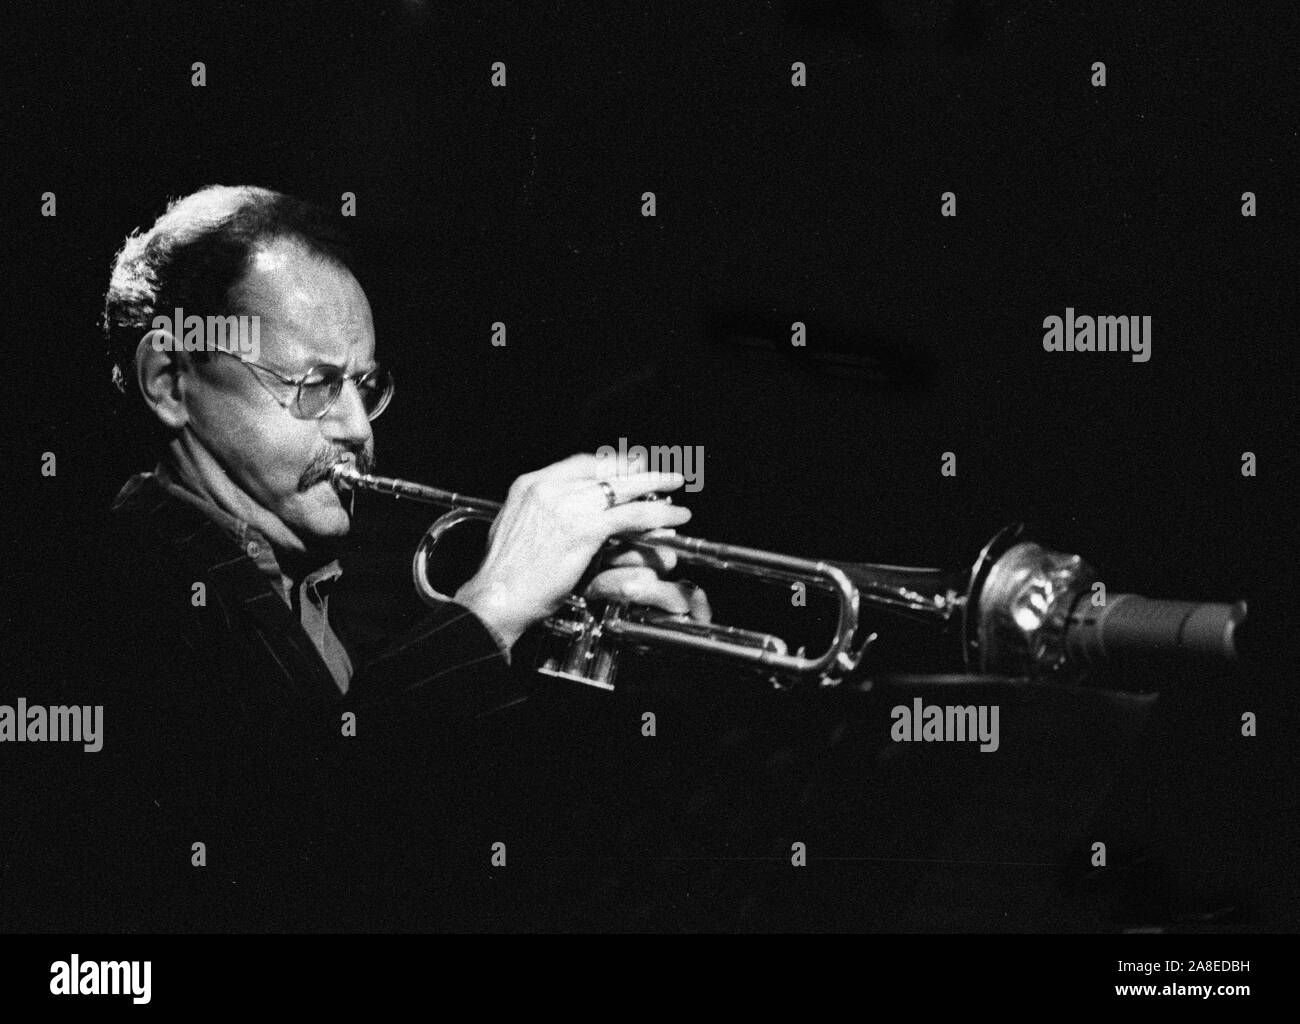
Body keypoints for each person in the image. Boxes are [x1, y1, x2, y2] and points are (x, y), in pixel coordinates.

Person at [60, 184, 712, 931]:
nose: (358, 427)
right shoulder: (111, 587)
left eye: (365, 387)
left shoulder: (308, 597)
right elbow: (293, 851)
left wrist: (586, 661)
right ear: (169, 382)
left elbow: (453, 861)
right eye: (314, 386)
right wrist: (490, 609)